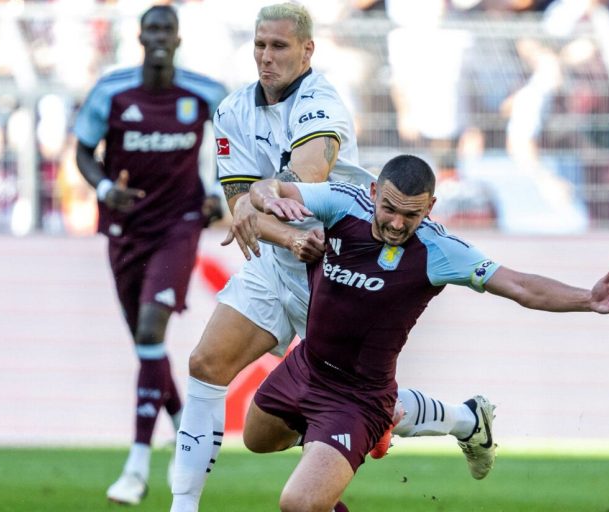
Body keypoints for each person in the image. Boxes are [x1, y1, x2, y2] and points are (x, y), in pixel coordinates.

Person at [170, 4, 488, 511]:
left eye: (279, 47)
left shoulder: (322, 102)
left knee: (360, 400)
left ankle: (465, 420)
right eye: (259, 45)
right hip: (282, 260)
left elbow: (311, 172)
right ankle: (182, 505)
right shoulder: (232, 111)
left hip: (340, 268)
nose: (266, 57)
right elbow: (239, 206)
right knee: (206, 364)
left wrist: (265, 203)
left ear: (307, 50)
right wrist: (282, 232)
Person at [241, 155, 609, 511]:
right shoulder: (344, 203)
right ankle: (400, 427)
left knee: (299, 504)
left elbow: (521, 286)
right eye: (390, 209)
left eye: (412, 215)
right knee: (256, 439)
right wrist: (269, 196)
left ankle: (368, 427)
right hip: (306, 366)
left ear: (431, 207)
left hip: (356, 398)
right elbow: (267, 187)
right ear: (374, 191)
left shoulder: (439, 250)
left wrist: (586, 299)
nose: (398, 223)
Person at [71, 5, 227, 505]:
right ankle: (185, 426)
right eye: (152, 29)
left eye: (168, 30)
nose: (160, 37)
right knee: (148, 347)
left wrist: (218, 198)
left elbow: (239, 146)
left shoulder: (204, 93)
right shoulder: (111, 92)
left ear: (178, 40)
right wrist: (101, 189)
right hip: (125, 228)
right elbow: (82, 152)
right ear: (140, 36)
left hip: (178, 227)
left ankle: (137, 466)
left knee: (149, 331)